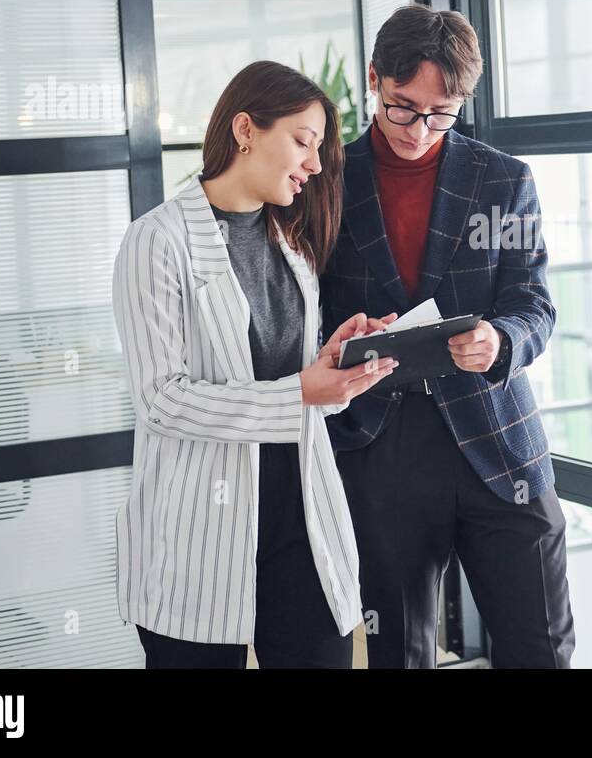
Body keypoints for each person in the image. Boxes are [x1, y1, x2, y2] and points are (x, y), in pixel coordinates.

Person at [111, 60, 398, 668]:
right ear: (245, 129)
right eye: (302, 141)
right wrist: (300, 391)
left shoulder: (290, 244)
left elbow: (291, 380)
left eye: (319, 148)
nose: (316, 164)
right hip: (197, 534)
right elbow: (162, 399)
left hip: (301, 526)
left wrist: (333, 365)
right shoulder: (156, 241)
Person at [322, 4, 576, 668]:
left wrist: (501, 340)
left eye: (442, 113)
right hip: (379, 447)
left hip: (497, 440)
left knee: (541, 644)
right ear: (375, 78)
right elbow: (302, 310)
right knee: (397, 653)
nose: (420, 129)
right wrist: (345, 337)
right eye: (404, 107)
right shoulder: (323, 183)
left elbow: (535, 305)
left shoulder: (504, 180)